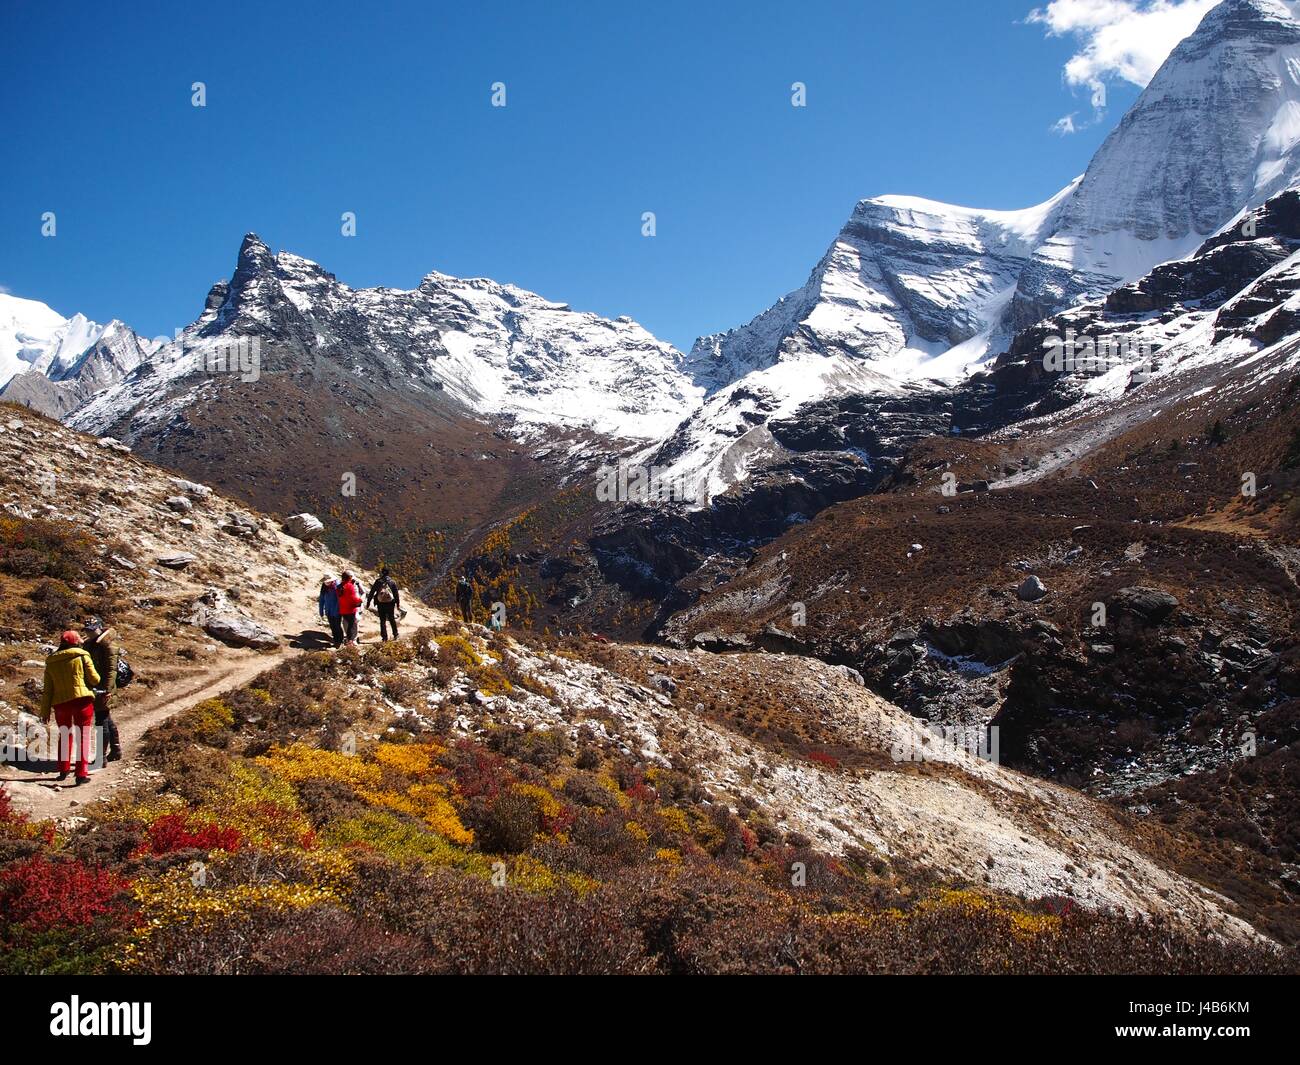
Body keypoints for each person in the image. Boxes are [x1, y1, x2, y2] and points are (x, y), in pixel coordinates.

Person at [40, 630, 100, 785]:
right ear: (75, 641)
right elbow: (95, 679)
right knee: (83, 736)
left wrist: (44, 712)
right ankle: (81, 774)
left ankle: (63, 770)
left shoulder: (51, 661)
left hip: (60, 703)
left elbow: (48, 690)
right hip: (81, 700)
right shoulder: (82, 655)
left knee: (65, 734)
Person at [82, 617, 122, 762]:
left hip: (103, 688)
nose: (89, 633)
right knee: (105, 717)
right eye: (87, 630)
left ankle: (101, 756)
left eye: (92, 630)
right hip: (96, 686)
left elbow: (112, 669)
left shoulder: (108, 644)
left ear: (99, 628)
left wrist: (107, 689)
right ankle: (115, 750)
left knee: (101, 720)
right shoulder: (90, 643)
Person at [365, 567, 401, 641]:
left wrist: (368, 602)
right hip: (390, 603)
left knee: (382, 620)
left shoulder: (378, 581)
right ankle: (395, 634)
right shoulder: (392, 582)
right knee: (391, 619)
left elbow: (372, 592)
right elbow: (396, 594)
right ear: (388, 573)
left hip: (380, 603)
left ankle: (384, 637)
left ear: (382, 573)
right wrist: (397, 603)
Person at [336, 570, 364, 646]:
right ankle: (350, 641)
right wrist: (360, 600)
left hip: (342, 609)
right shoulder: (349, 586)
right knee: (351, 625)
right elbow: (353, 598)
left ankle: (349, 640)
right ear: (350, 577)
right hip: (350, 609)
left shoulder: (339, 586)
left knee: (346, 624)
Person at [318, 575, 343, 648]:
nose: (326, 583)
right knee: (332, 626)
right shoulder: (324, 587)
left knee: (337, 626)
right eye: (325, 582)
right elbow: (321, 599)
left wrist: (336, 611)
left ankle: (339, 641)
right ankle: (336, 640)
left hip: (337, 611)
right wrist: (321, 610)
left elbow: (339, 601)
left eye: (328, 582)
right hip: (328, 610)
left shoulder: (337, 586)